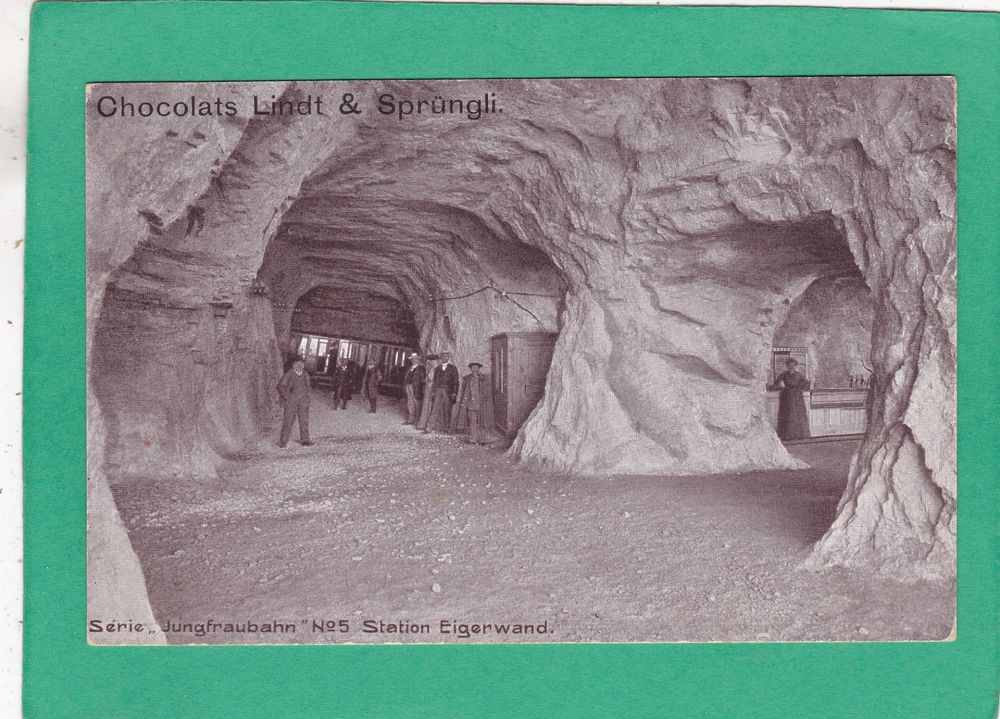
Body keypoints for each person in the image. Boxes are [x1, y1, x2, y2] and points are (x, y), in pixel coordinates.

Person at [454, 361, 495, 445]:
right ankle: (473, 438)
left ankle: (482, 439)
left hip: (481, 404)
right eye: (473, 368)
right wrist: (463, 402)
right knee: (472, 421)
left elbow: (488, 392)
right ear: (471, 369)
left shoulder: (484, 378)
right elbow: (464, 392)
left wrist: (487, 402)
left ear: (479, 369)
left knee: (482, 422)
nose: (475, 369)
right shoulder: (467, 379)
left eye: (476, 367)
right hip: (471, 404)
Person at [277, 357, 313, 447]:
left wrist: (307, 398)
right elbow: (280, 386)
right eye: (297, 363)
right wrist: (287, 397)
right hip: (291, 402)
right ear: (293, 365)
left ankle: (305, 440)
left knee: (304, 420)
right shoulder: (289, 374)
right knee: (288, 421)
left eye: (302, 364)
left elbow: (308, 387)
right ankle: (283, 442)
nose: (300, 366)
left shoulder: (305, 374)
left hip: (303, 401)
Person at [772, 358, 811, 440]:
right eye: (789, 365)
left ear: (795, 366)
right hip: (787, 398)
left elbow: (807, 384)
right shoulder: (784, 374)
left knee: (797, 416)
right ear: (787, 366)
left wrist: (801, 387)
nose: (791, 367)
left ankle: (799, 435)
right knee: (788, 416)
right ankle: (787, 436)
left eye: (793, 365)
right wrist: (782, 388)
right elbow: (775, 384)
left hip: (797, 398)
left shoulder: (799, 375)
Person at [425, 351, 459, 433]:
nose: (445, 358)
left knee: (447, 409)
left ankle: (447, 428)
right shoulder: (437, 368)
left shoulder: (453, 368)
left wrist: (454, 393)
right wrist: (434, 392)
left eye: (446, 357)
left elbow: (455, 382)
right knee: (435, 409)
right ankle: (429, 427)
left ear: (448, 358)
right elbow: (435, 381)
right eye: (443, 357)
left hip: (448, 391)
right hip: (438, 390)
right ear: (441, 358)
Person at [415, 355, 438, 430]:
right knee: (426, 405)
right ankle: (423, 424)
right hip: (428, 389)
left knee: (430, 406)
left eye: (433, 361)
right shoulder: (432, 369)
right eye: (430, 361)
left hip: (432, 389)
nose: (431, 362)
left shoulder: (437, 369)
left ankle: (428, 424)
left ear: (436, 361)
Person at [403, 353, 426, 425]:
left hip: (416, 388)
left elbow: (423, 380)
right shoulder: (410, 368)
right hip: (408, 386)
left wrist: (422, 389)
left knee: (417, 403)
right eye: (413, 359)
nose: (414, 360)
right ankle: (411, 419)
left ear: (418, 360)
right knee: (410, 403)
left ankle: (417, 420)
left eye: (415, 359)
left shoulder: (421, 368)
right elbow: (406, 378)